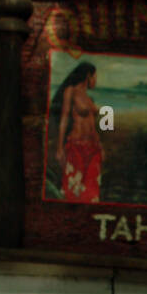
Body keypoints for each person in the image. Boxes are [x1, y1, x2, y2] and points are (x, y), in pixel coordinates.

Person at [52, 62, 103, 202]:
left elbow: (93, 125)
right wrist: (59, 148)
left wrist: (100, 145)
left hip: (93, 148)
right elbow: (64, 118)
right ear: (88, 76)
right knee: (72, 190)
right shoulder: (71, 91)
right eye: (95, 77)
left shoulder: (88, 98)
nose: (96, 81)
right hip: (76, 146)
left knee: (92, 193)